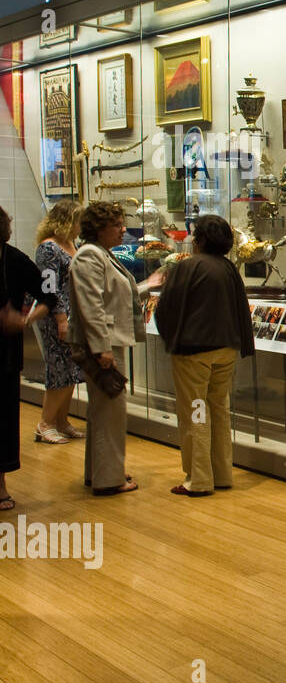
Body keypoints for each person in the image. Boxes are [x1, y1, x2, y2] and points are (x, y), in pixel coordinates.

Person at [154, 215, 255, 497]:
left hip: (194, 352)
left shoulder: (188, 266)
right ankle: (221, 473)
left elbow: (166, 309)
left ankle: (198, 478)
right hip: (226, 350)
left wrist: (171, 338)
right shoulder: (229, 268)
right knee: (219, 410)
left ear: (199, 240)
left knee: (195, 413)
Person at [69, 201, 162, 496]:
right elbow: (91, 305)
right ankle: (109, 479)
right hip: (104, 344)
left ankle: (100, 472)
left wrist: (148, 284)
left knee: (103, 413)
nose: (123, 230)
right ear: (99, 229)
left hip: (108, 341)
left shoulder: (101, 255)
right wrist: (101, 347)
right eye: (117, 225)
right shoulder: (89, 257)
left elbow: (115, 295)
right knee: (110, 413)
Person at [0, 207, 57, 511]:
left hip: (5, 355)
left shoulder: (15, 260)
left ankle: (1, 485)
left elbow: (49, 293)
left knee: (4, 419)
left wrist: (26, 320)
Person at [31, 200, 84, 444]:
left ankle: (62, 421)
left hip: (75, 314)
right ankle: (46, 422)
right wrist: (61, 317)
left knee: (72, 370)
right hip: (56, 316)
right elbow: (49, 286)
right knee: (59, 368)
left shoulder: (73, 244)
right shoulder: (49, 249)